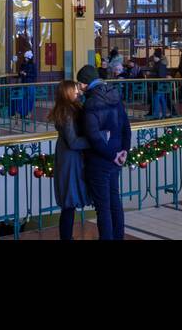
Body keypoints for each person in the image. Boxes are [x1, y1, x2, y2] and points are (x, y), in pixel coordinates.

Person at [77, 65, 131, 241]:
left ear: (85, 83)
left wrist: (111, 155)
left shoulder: (91, 103)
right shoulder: (115, 96)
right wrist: (123, 151)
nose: (79, 88)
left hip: (100, 161)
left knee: (103, 207)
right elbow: (126, 127)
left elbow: (93, 136)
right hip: (116, 158)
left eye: (80, 84)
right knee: (115, 201)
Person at [48, 80, 91, 241]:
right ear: (67, 92)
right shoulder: (67, 112)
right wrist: (94, 140)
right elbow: (73, 141)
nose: (77, 92)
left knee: (69, 204)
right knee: (69, 203)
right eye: (74, 90)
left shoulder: (67, 109)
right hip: (69, 159)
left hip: (68, 157)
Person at [147, 48, 173, 118]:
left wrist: (151, 74)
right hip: (161, 85)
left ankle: (156, 115)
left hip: (158, 84)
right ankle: (163, 114)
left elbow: (160, 75)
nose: (153, 59)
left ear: (156, 57)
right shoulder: (161, 64)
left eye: (154, 57)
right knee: (162, 99)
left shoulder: (159, 65)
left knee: (157, 99)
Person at [15, 49, 38, 118]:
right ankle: (19, 112)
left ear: (29, 58)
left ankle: (28, 113)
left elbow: (34, 75)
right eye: (25, 58)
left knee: (30, 99)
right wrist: (20, 73)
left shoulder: (33, 65)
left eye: (27, 58)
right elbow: (19, 73)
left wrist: (26, 74)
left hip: (30, 84)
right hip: (24, 83)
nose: (25, 59)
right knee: (21, 98)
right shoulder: (23, 64)